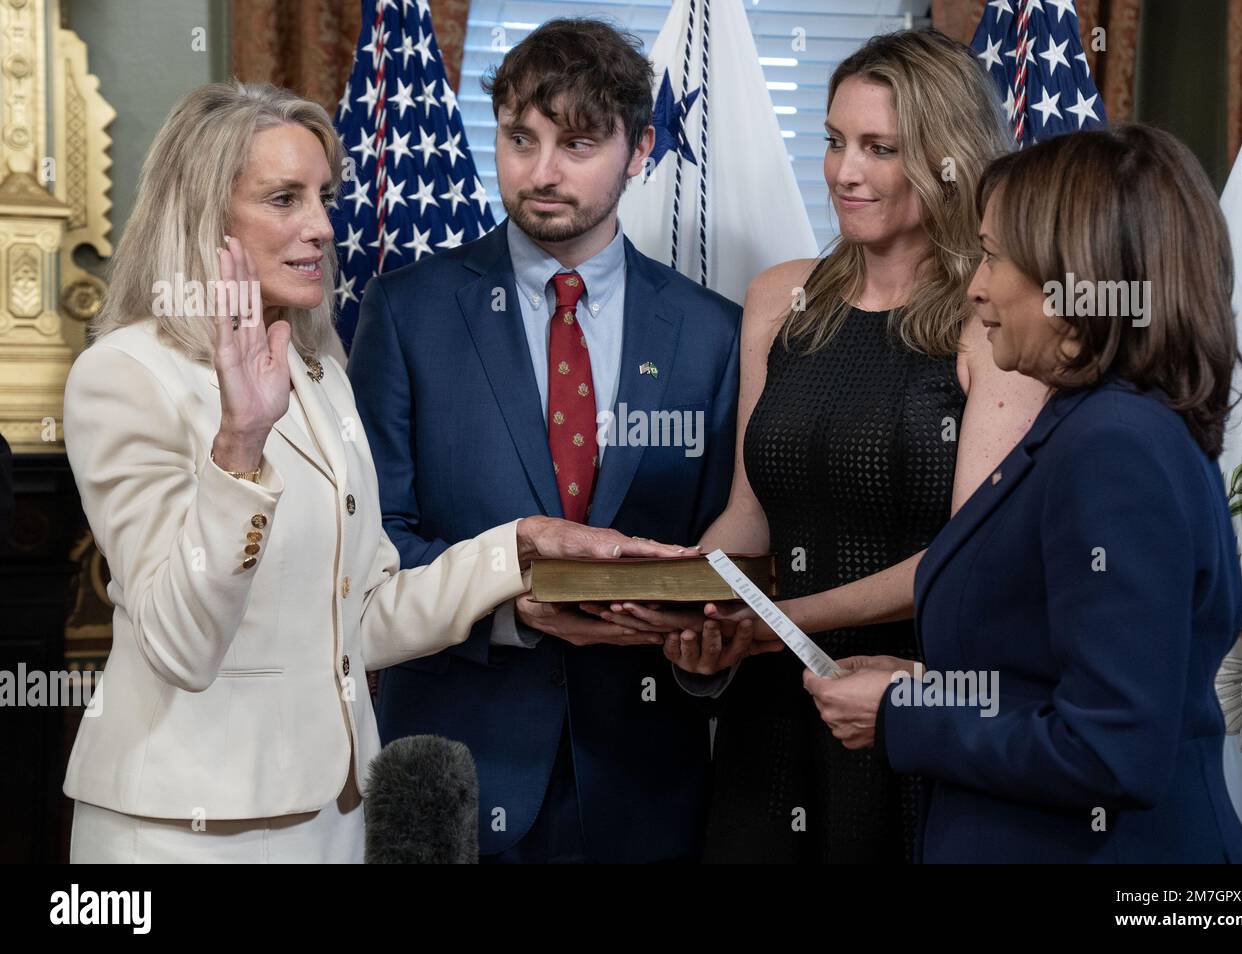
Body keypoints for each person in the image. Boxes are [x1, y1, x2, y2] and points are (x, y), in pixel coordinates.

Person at [60, 80, 683, 864]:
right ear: (202, 218)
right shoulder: (123, 375)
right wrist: (240, 449)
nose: (323, 226)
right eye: (284, 199)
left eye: (324, 196)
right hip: (183, 833)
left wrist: (518, 547)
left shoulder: (319, 370)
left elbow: (367, 613)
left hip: (336, 821)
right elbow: (180, 645)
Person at [599, 29, 1049, 863]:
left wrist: (772, 620)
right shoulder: (778, 299)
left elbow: (964, 562)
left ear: (949, 159)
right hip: (771, 715)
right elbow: (748, 520)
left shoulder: (992, 324)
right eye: (836, 141)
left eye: (881, 148)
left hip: (912, 707)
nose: (845, 171)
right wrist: (679, 600)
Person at [347, 18, 740, 863]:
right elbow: (370, 546)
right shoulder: (408, 312)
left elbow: (717, 557)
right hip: (450, 773)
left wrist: (705, 656)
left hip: (642, 781)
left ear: (640, 151)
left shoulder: (713, 336)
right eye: (521, 139)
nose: (542, 172)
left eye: (578, 143)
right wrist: (509, 614)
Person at [805, 124, 1242, 863]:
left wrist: (904, 716)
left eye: (994, 256)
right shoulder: (1095, 422)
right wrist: (934, 687)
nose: (975, 285)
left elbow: (1111, 750)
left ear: (1075, 278)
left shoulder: (1115, 443)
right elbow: (1050, 677)